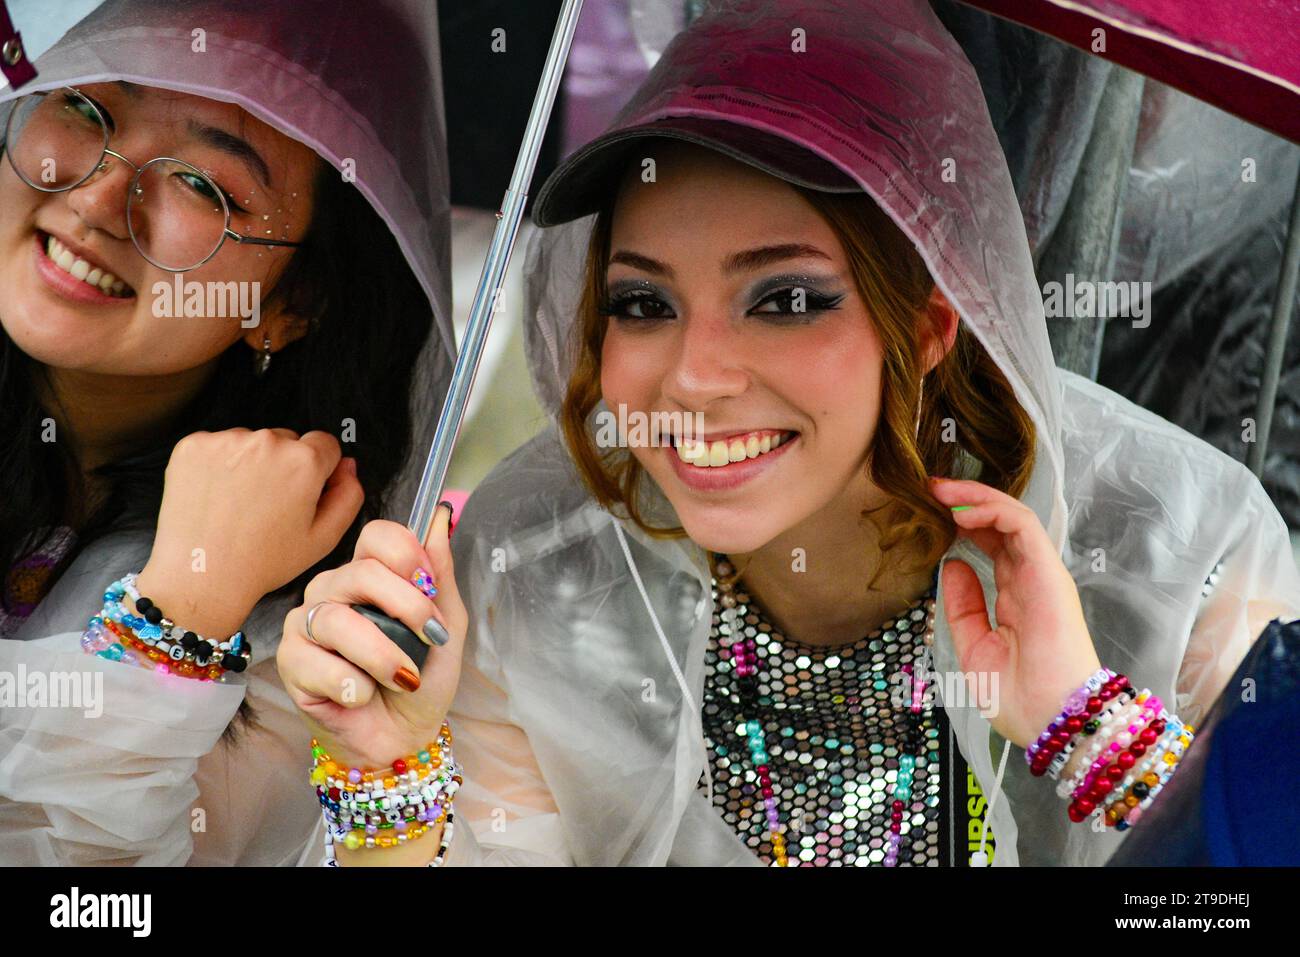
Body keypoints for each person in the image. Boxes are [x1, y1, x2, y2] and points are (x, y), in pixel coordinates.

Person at [277, 0, 1300, 867]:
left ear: (929, 324)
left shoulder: (1178, 544)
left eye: (786, 300)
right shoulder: (533, 559)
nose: (693, 375)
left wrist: (1092, 731)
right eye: (641, 303)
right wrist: (389, 774)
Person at [0, 0, 454, 865]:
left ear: (291, 305)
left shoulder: (305, 635)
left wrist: (182, 615)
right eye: (85, 110)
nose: (98, 199)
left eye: (202, 184)